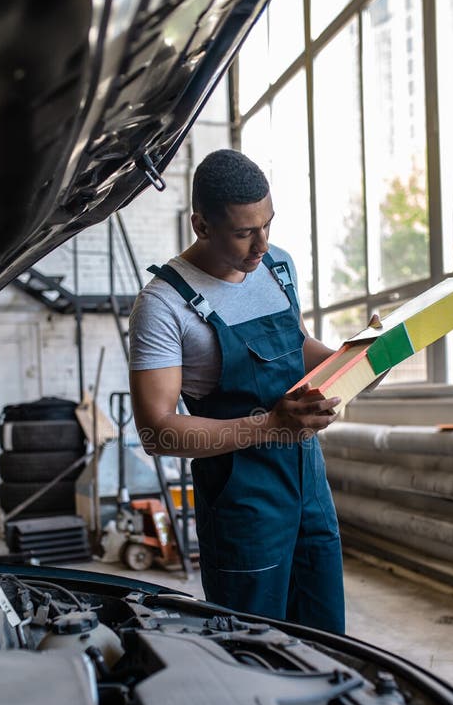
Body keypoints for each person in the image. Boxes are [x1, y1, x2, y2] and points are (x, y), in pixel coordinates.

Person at [128, 149, 344, 633]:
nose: (261, 244)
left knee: (327, 635)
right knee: (253, 644)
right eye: (245, 232)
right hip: (242, 506)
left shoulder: (277, 266)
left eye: (268, 224)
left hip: (309, 485)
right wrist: (270, 425)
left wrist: (356, 357)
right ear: (201, 225)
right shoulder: (162, 306)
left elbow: (296, 345)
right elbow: (157, 433)